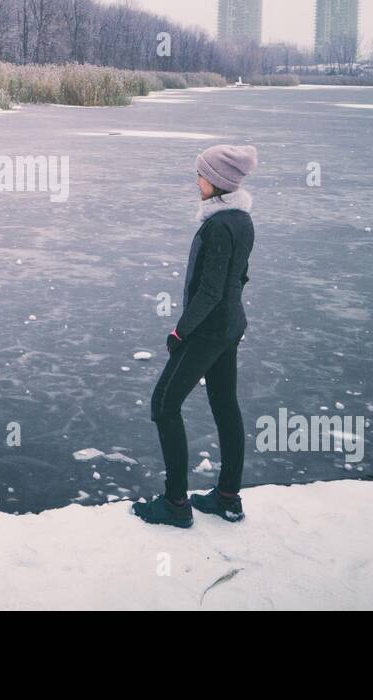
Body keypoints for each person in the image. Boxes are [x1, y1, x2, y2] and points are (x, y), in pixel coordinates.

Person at [132, 144, 256, 528]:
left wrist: (180, 330)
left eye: (201, 174)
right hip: (230, 325)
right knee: (224, 404)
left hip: (210, 329)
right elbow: (240, 278)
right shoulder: (241, 221)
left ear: (217, 182)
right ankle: (227, 498)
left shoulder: (218, 226)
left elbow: (210, 292)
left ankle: (175, 504)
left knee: (164, 405)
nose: (196, 180)